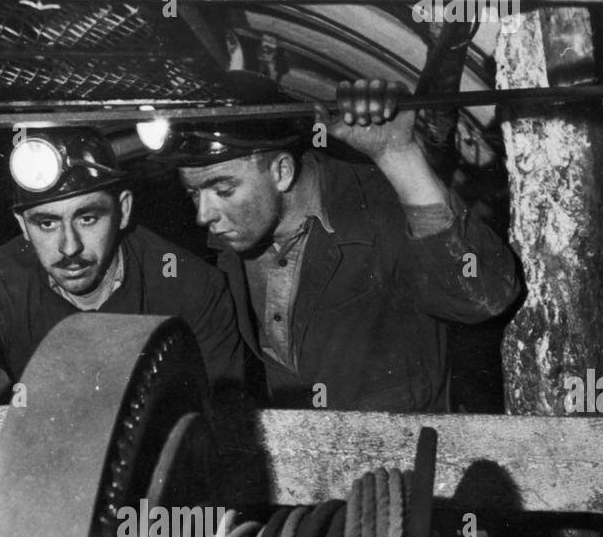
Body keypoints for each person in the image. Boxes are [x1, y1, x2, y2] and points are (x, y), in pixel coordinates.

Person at [157, 76, 520, 411]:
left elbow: (484, 298)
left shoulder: (380, 205)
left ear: (281, 171)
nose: (204, 215)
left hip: (404, 463)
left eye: (223, 190)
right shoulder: (221, 248)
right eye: (193, 194)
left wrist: (399, 157)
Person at [0, 128, 243, 403]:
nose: (69, 247)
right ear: (23, 225)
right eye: (46, 223)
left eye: (88, 218)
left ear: (123, 210)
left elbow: (220, 431)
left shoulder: (192, 285)